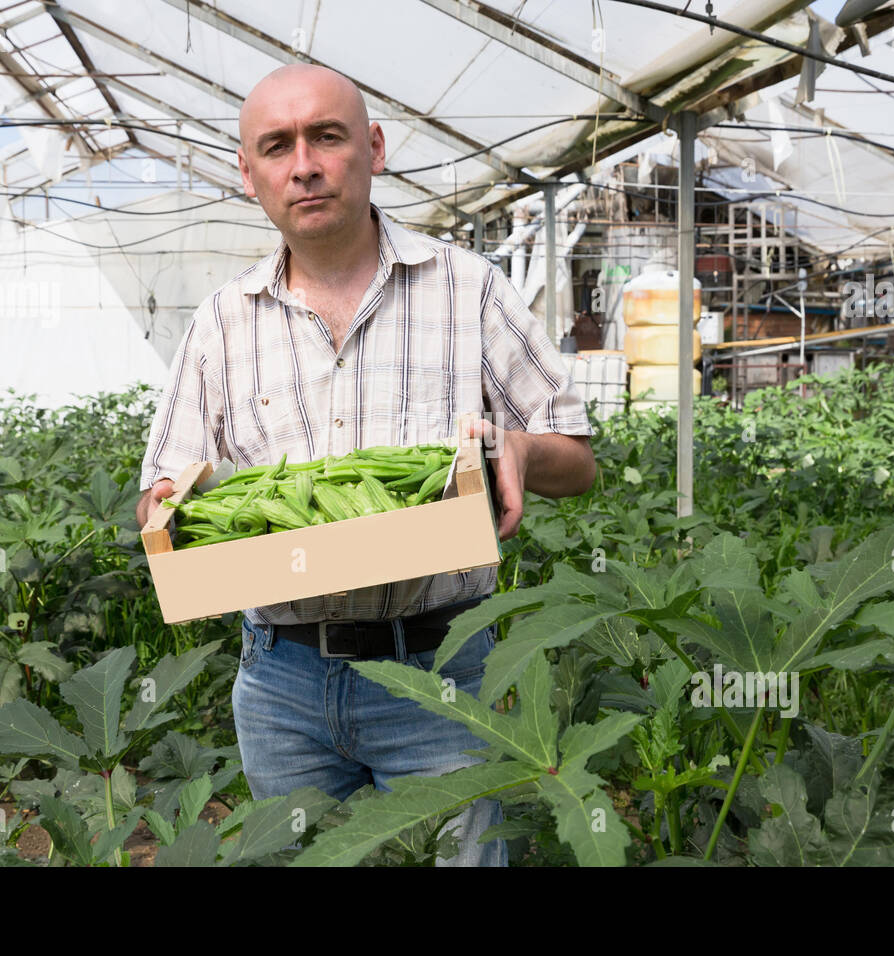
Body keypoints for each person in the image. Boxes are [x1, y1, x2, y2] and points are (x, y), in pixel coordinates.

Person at [136, 63, 596, 866]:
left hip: (441, 671)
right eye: (276, 146)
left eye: (327, 136)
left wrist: (518, 446)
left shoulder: (470, 290)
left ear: (374, 148)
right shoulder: (220, 323)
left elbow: (580, 462)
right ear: (249, 176)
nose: (304, 164)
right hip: (282, 683)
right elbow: (160, 496)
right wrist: (172, 512)